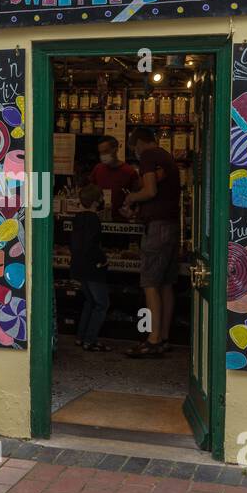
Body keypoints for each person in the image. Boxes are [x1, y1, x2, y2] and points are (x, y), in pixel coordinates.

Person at [121, 127, 181, 358]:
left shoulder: (149, 156)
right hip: (171, 226)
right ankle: (164, 336)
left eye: (133, 148)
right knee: (166, 284)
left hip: (157, 229)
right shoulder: (167, 157)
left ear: (139, 144)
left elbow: (150, 191)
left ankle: (152, 339)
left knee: (150, 284)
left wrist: (131, 198)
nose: (135, 152)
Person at [71, 184, 110, 351]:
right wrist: (103, 259)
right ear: (95, 202)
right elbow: (91, 244)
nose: (103, 200)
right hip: (92, 267)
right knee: (102, 303)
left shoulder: (77, 218)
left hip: (78, 265)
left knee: (90, 301)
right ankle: (90, 340)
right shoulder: (94, 220)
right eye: (101, 198)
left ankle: (81, 337)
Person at [89, 135, 139, 218]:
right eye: (101, 152)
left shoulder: (129, 171)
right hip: (100, 219)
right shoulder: (98, 169)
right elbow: (90, 192)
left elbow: (136, 196)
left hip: (122, 220)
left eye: (106, 151)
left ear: (115, 149)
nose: (103, 155)